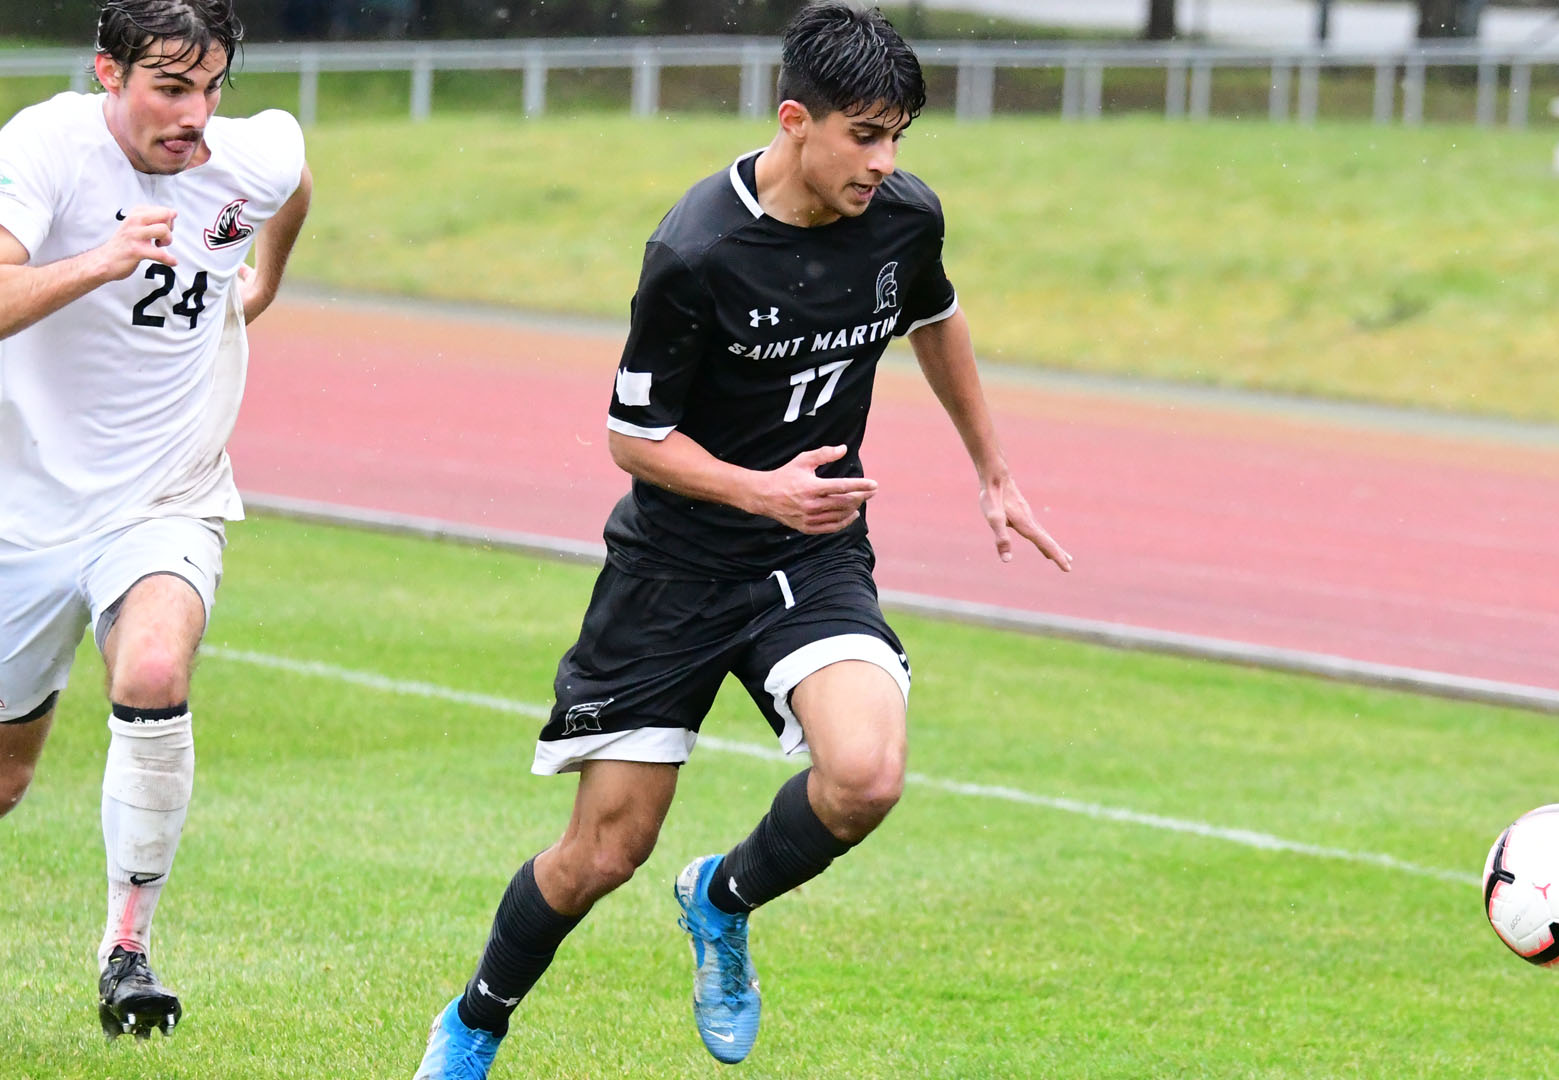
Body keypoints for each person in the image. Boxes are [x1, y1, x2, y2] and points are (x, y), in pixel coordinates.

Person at [413, 2, 1070, 1073]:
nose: (884, 161)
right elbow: (635, 438)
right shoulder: (695, 248)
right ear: (794, 119)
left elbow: (935, 317)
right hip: (674, 569)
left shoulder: (904, 219)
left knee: (867, 775)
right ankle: (475, 1021)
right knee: (603, 852)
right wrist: (759, 491)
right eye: (864, 134)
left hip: (809, 557)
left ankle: (721, 900)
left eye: (899, 135)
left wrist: (994, 474)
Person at [0, 0, 312, 1041]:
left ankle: (127, 950)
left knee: (153, 671)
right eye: (171, 89)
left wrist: (260, 281)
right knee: (7, 776)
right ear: (108, 74)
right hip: (24, 510)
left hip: (163, 495)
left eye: (211, 87)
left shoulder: (246, 155)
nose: (195, 115)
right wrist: (100, 260)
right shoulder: (45, 147)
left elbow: (290, 178)